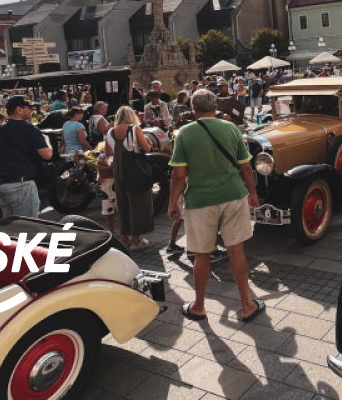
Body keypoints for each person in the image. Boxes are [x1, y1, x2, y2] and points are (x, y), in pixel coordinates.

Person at [168, 89, 263, 323]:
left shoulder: (184, 134)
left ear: (193, 109)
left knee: (202, 255)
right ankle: (247, 305)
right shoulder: (230, 128)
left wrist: (172, 203)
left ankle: (199, 306)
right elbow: (246, 167)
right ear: (215, 107)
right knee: (236, 251)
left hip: (200, 200)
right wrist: (252, 193)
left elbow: (179, 175)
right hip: (233, 194)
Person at [0, 95, 52, 218]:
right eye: (29, 108)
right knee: (28, 229)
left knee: (13, 230)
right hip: (20, 185)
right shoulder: (29, 129)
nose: (32, 110)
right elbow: (47, 155)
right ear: (19, 110)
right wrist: (47, 141)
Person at [106, 106, 157, 249]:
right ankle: (136, 240)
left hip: (118, 169)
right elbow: (146, 148)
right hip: (134, 169)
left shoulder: (110, 132)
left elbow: (109, 151)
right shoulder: (135, 129)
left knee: (123, 203)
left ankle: (124, 238)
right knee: (138, 203)